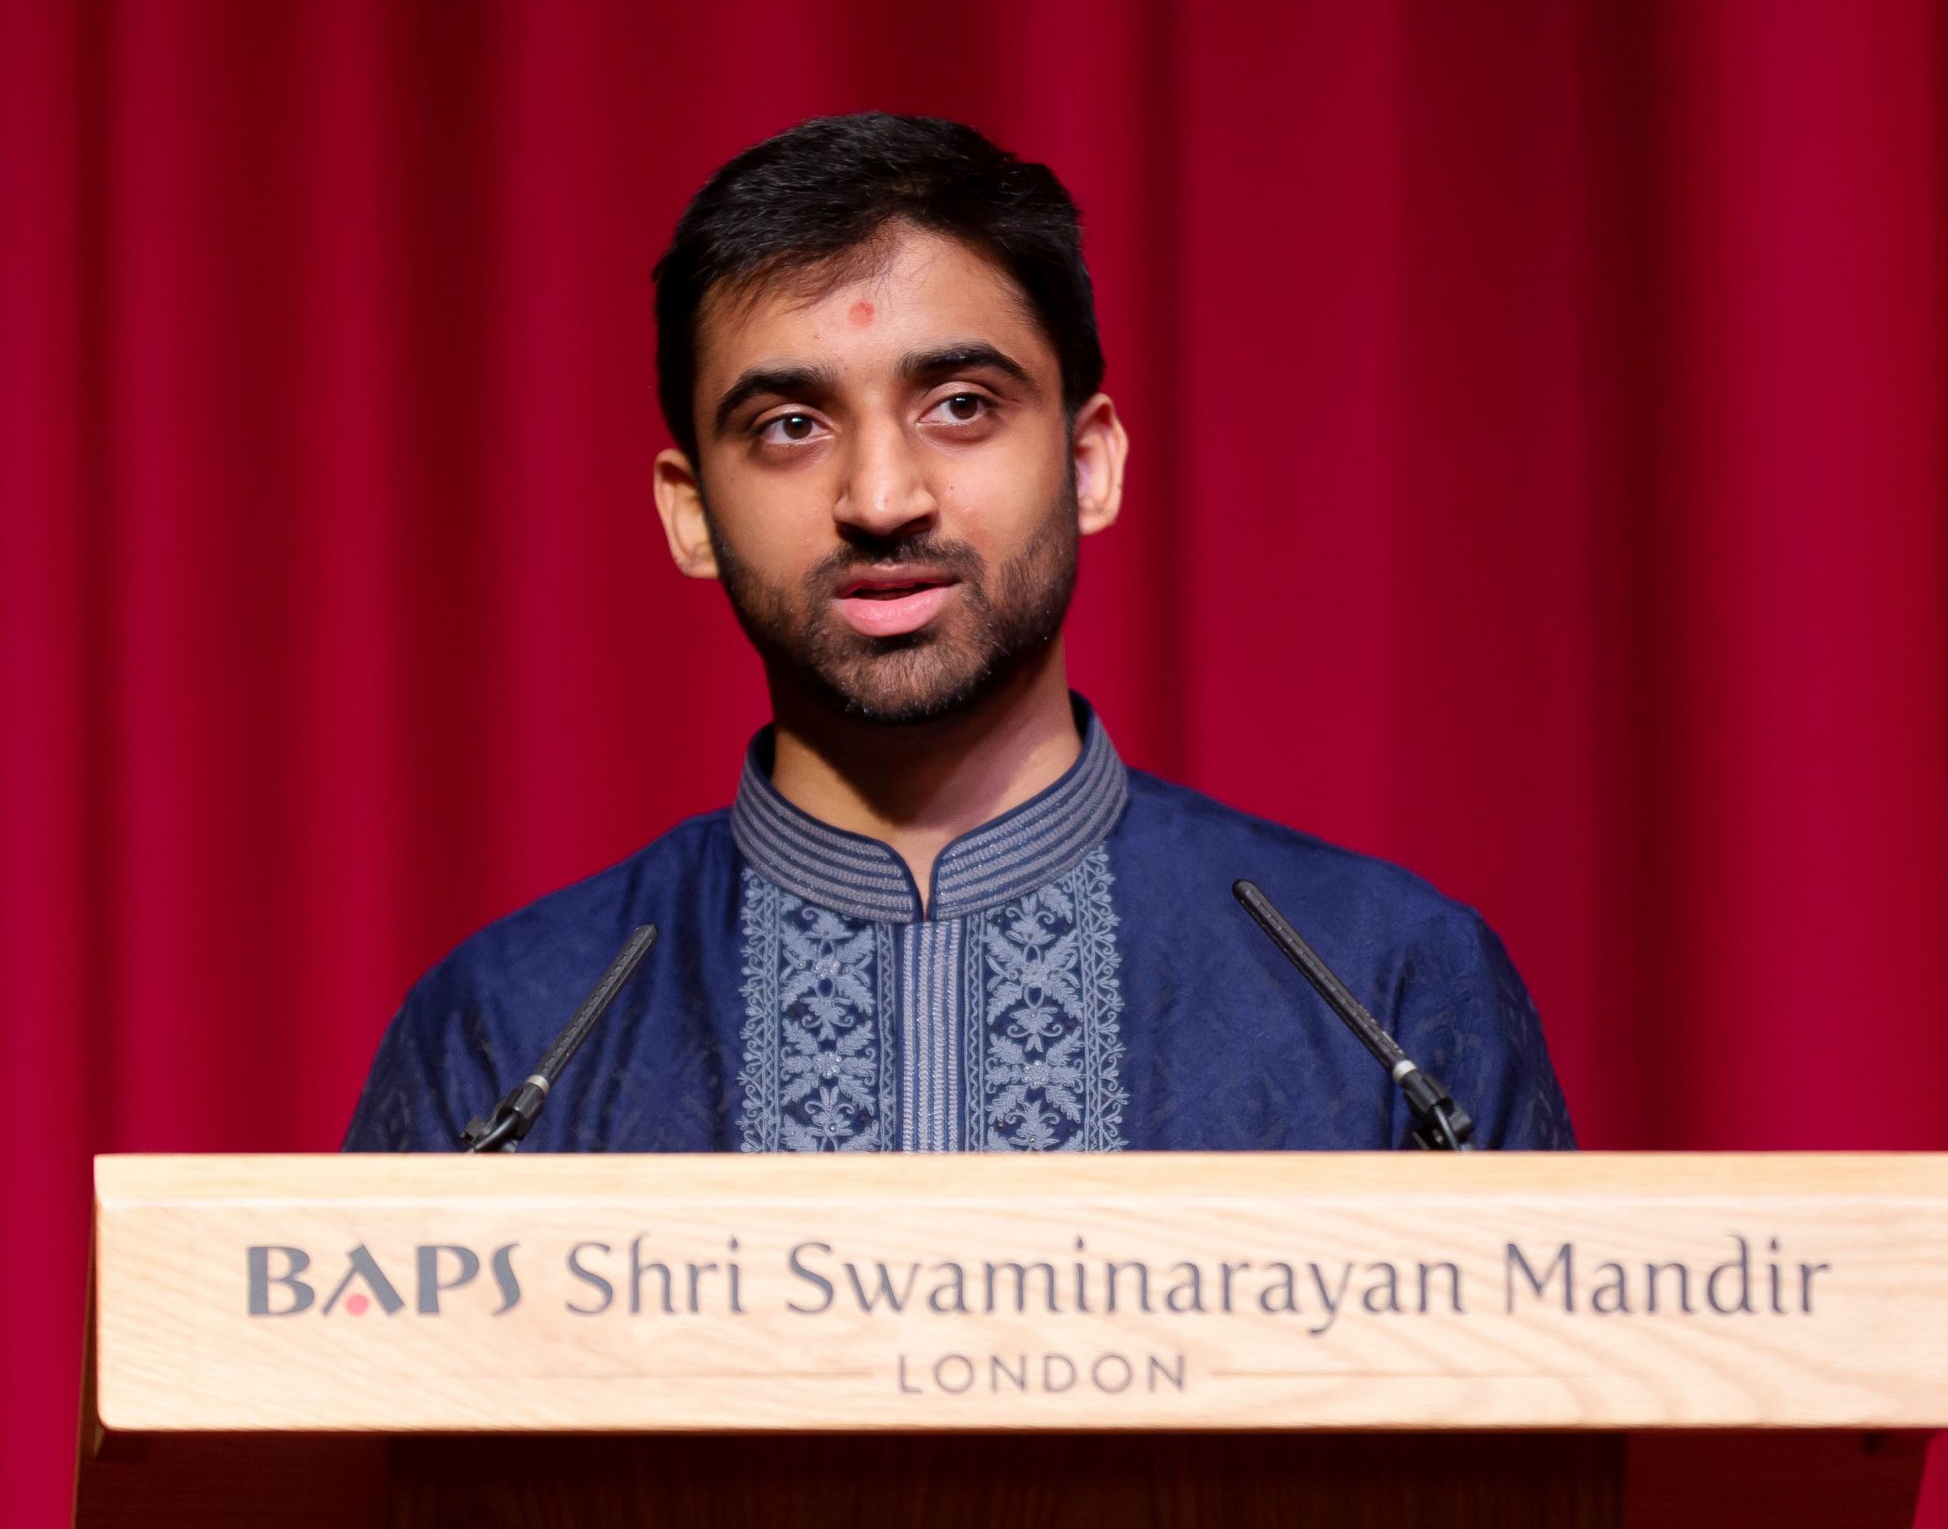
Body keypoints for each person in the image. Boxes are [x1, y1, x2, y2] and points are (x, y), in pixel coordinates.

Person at [344, 112, 1573, 1154]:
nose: (881, 499)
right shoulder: (515, 1029)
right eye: (787, 425)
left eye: (961, 406)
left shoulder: (1387, 984)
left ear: (1088, 464)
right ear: (689, 514)